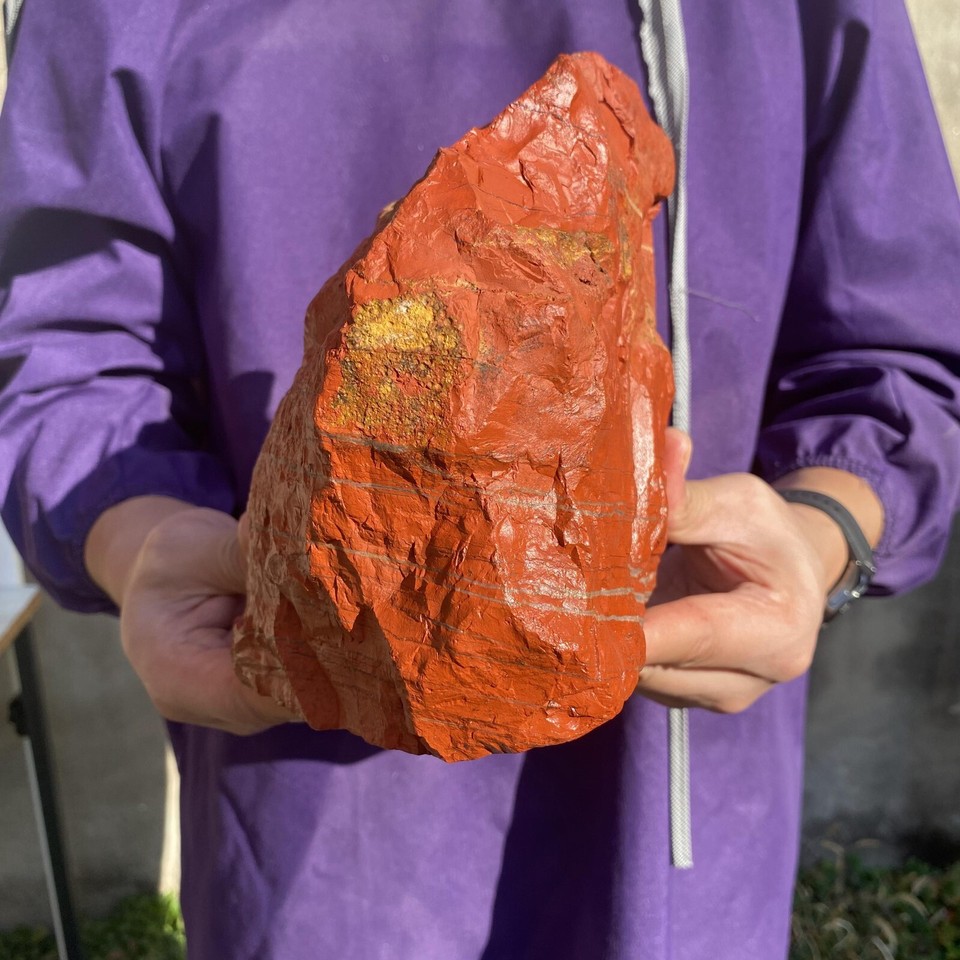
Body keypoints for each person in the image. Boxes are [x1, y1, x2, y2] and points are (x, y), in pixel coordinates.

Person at [1, 1, 958, 957]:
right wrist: (134, 539)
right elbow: (61, 347)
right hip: (310, 809)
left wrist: (827, 529)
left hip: (685, 810)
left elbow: (902, 346)